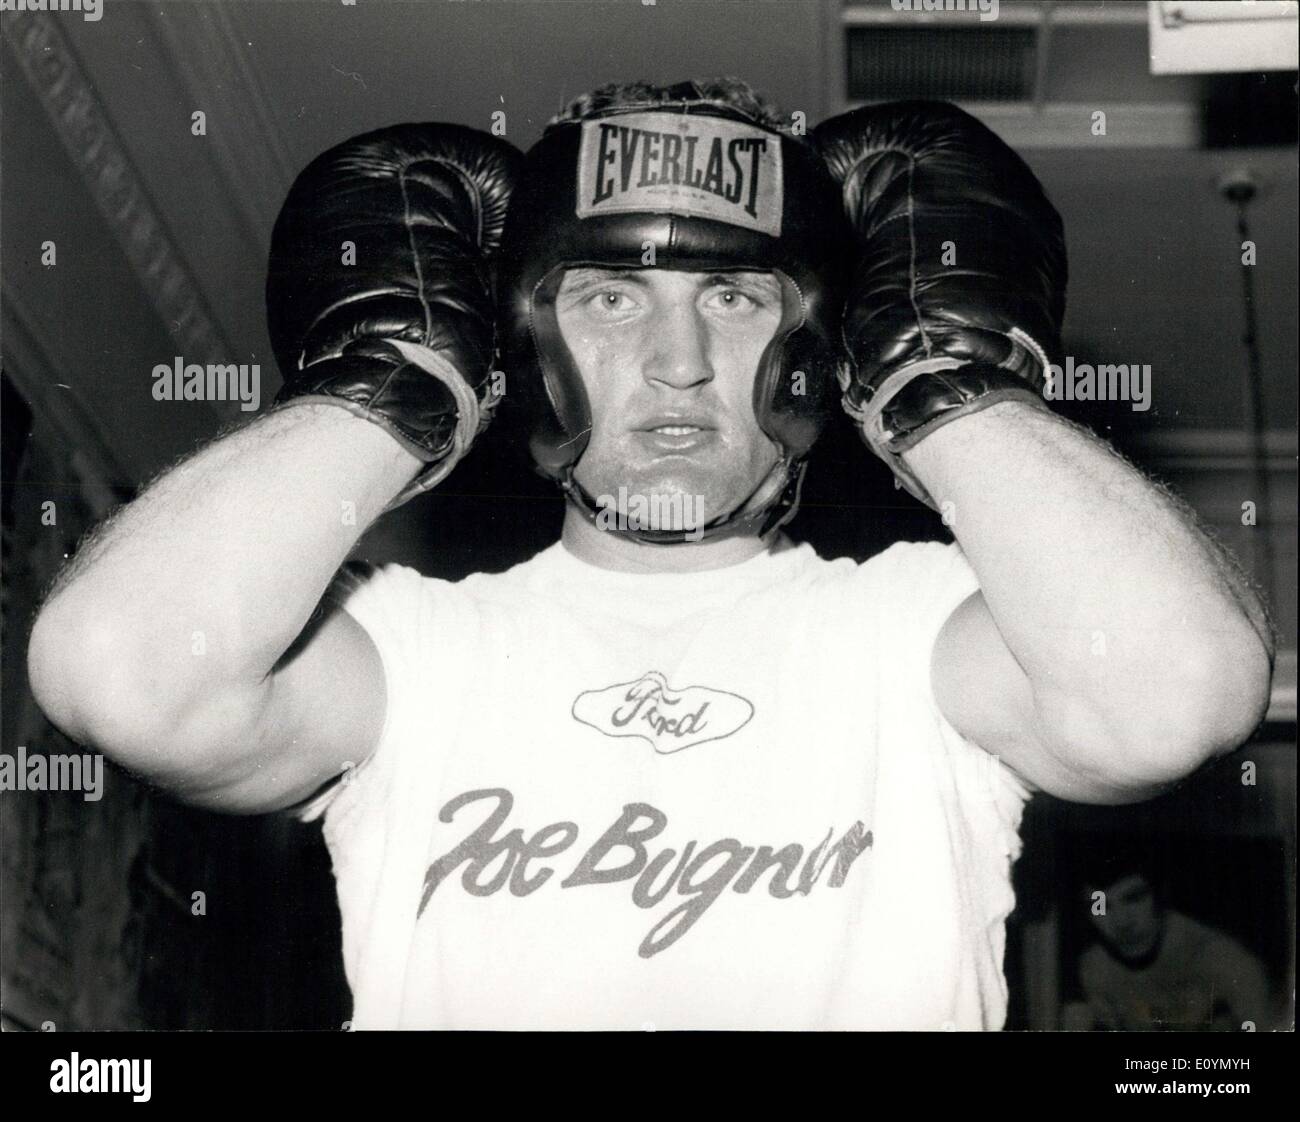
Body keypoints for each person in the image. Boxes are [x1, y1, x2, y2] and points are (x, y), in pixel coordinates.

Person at [26, 78, 1273, 1030]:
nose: (676, 359)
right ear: (520, 343)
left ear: (813, 356)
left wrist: (940, 381)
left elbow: (1174, 695)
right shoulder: (411, 652)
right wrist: (390, 381)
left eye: (733, 299)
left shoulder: (922, 634)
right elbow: (119, 673)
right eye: (608, 297)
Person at [1066, 863, 1275, 1032]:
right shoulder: (1094, 968)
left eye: (1134, 898)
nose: (1121, 922)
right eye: (1101, 906)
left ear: (1160, 898)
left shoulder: (1222, 959)